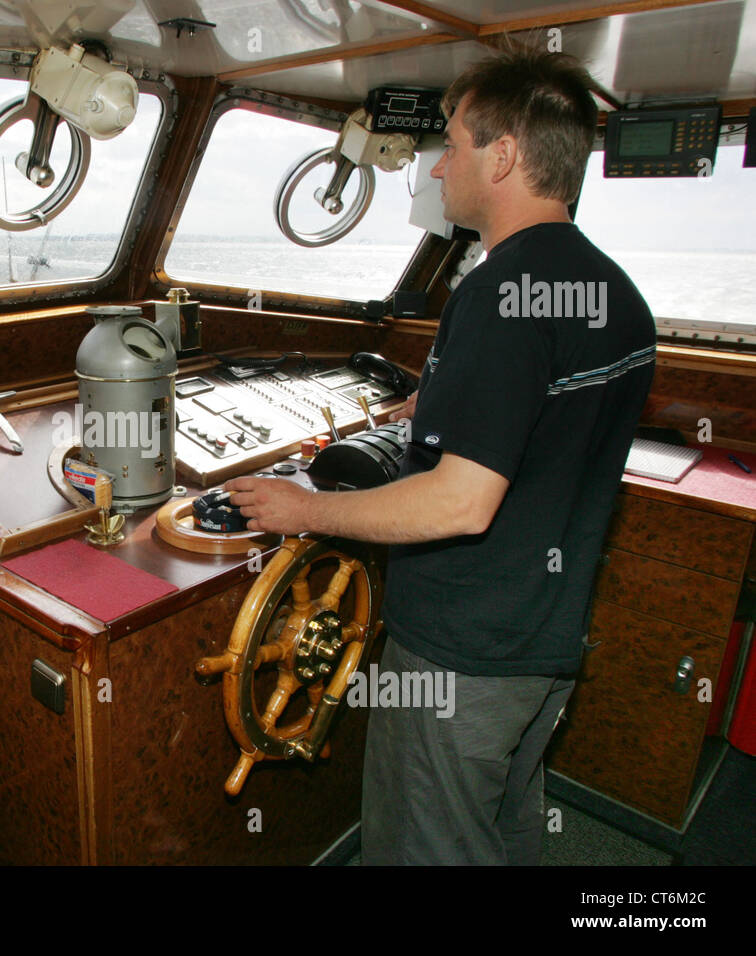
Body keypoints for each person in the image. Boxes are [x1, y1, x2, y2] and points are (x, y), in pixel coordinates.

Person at [225, 49, 656, 864]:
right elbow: (551, 415)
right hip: (545, 645)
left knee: (427, 847)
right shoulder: (611, 291)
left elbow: (462, 501)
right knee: (503, 826)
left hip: (464, 656)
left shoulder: (499, 296)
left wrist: (303, 508)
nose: (439, 163)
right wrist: (434, 405)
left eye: (454, 143)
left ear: (504, 156)